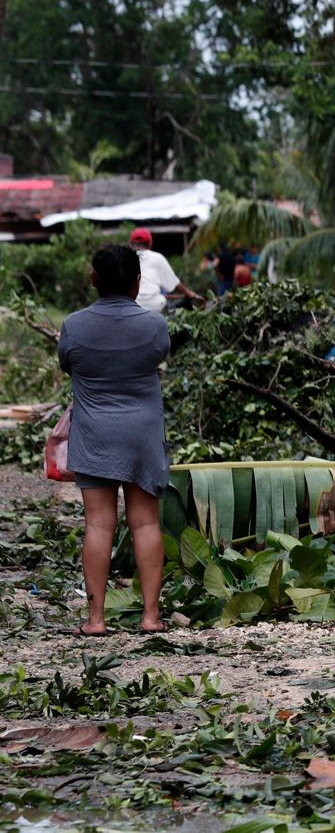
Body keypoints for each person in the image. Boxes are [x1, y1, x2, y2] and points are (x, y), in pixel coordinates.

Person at [58, 244, 171, 635]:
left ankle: (95, 620)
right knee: (144, 523)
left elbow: (67, 362)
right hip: (142, 434)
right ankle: (150, 617)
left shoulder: (74, 325)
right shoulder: (154, 325)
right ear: (137, 283)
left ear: (94, 280)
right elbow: (157, 357)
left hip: (94, 434)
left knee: (98, 525)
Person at [129, 228, 204, 312]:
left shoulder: (126, 258)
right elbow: (175, 283)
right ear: (150, 244)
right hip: (155, 306)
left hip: (131, 306)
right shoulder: (157, 257)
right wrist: (190, 294)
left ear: (130, 244)